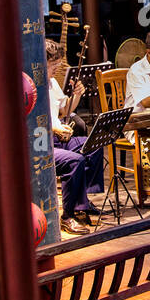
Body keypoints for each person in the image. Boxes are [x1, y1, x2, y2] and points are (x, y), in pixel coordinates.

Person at [46, 40, 103, 234]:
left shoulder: (52, 82)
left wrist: (77, 95)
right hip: (42, 143)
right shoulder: (31, 85)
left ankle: (83, 202)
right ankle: (68, 216)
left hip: (58, 137)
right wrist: (55, 129)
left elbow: (64, 111)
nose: (57, 69)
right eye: (53, 65)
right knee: (74, 161)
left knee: (93, 144)